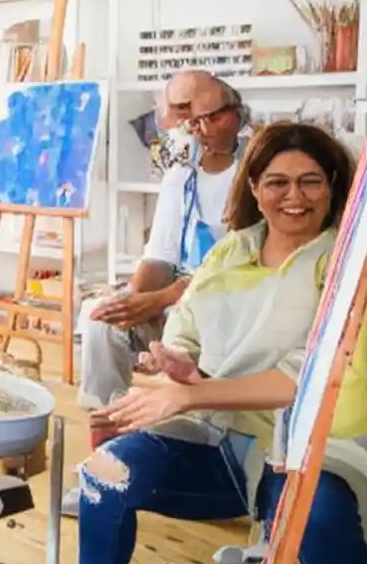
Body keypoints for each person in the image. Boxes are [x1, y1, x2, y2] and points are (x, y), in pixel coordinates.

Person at [76, 123, 367, 564]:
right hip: (213, 438)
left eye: (310, 181)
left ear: (333, 185)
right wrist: (175, 361)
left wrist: (193, 393)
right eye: (277, 182)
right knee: (102, 474)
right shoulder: (230, 251)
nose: (295, 196)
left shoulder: (344, 268)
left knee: (319, 514)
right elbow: (186, 329)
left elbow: (313, 376)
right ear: (254, 187)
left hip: (297, 451)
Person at [77, 73, 247, 421]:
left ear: (236, 114)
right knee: (101, 319)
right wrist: (135, 304)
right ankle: (110, 418)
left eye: (213, 116)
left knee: (190, 318)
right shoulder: (180, 178)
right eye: (193, 119)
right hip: (177, 293)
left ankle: (194, 424)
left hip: (228, 294)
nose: (202, 127)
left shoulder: (252, 174)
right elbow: (160, 255)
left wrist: (159, 300)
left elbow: (233, 268)